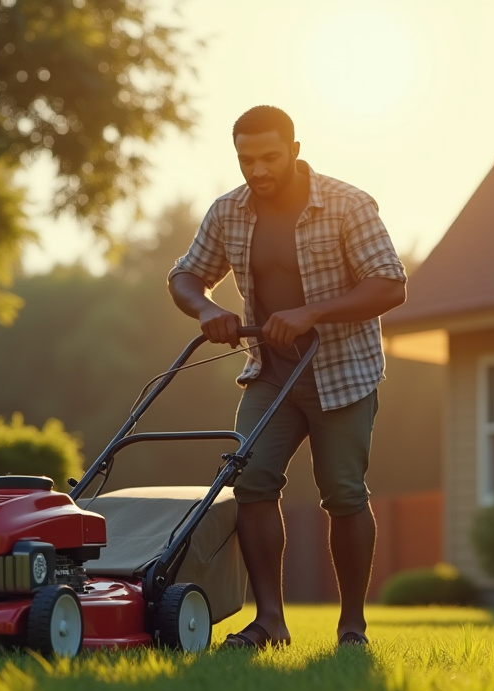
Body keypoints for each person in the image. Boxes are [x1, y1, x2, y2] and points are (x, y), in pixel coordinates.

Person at [167, 105, 407, 648]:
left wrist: (312, 312)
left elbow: (390, 285)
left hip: (342, 374)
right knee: (250, 482)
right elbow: (184, 275)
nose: (258, 169)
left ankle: (352, 627)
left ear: (294, 150)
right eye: (246, 159)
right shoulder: (228, 211)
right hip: (271, 375)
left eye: (270, 156)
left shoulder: (348, 204)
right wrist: (206, 310)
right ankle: (270, 622)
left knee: (343, 493)